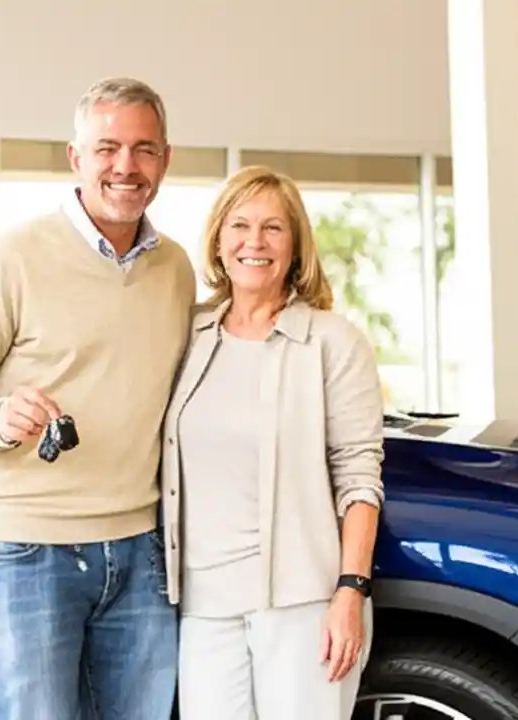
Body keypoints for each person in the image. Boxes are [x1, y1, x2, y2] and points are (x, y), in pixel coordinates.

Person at [0, 77, 196, 719]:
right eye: (108, 148)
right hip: (24, 552)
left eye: (144, 149)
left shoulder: (174, 268)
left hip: (142, 552)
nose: (126, 166)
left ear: (165, 159)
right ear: (76, 158)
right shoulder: (9, 259)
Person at [162, 165, 385, 719]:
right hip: (202, 606)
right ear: (218, 241)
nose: (254, 242)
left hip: (303, 605)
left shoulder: (332, 342)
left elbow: (360, 478)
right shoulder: (187, 334)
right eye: (239, 226)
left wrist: (349, 593)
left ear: (295, 246)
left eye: (273, 228)